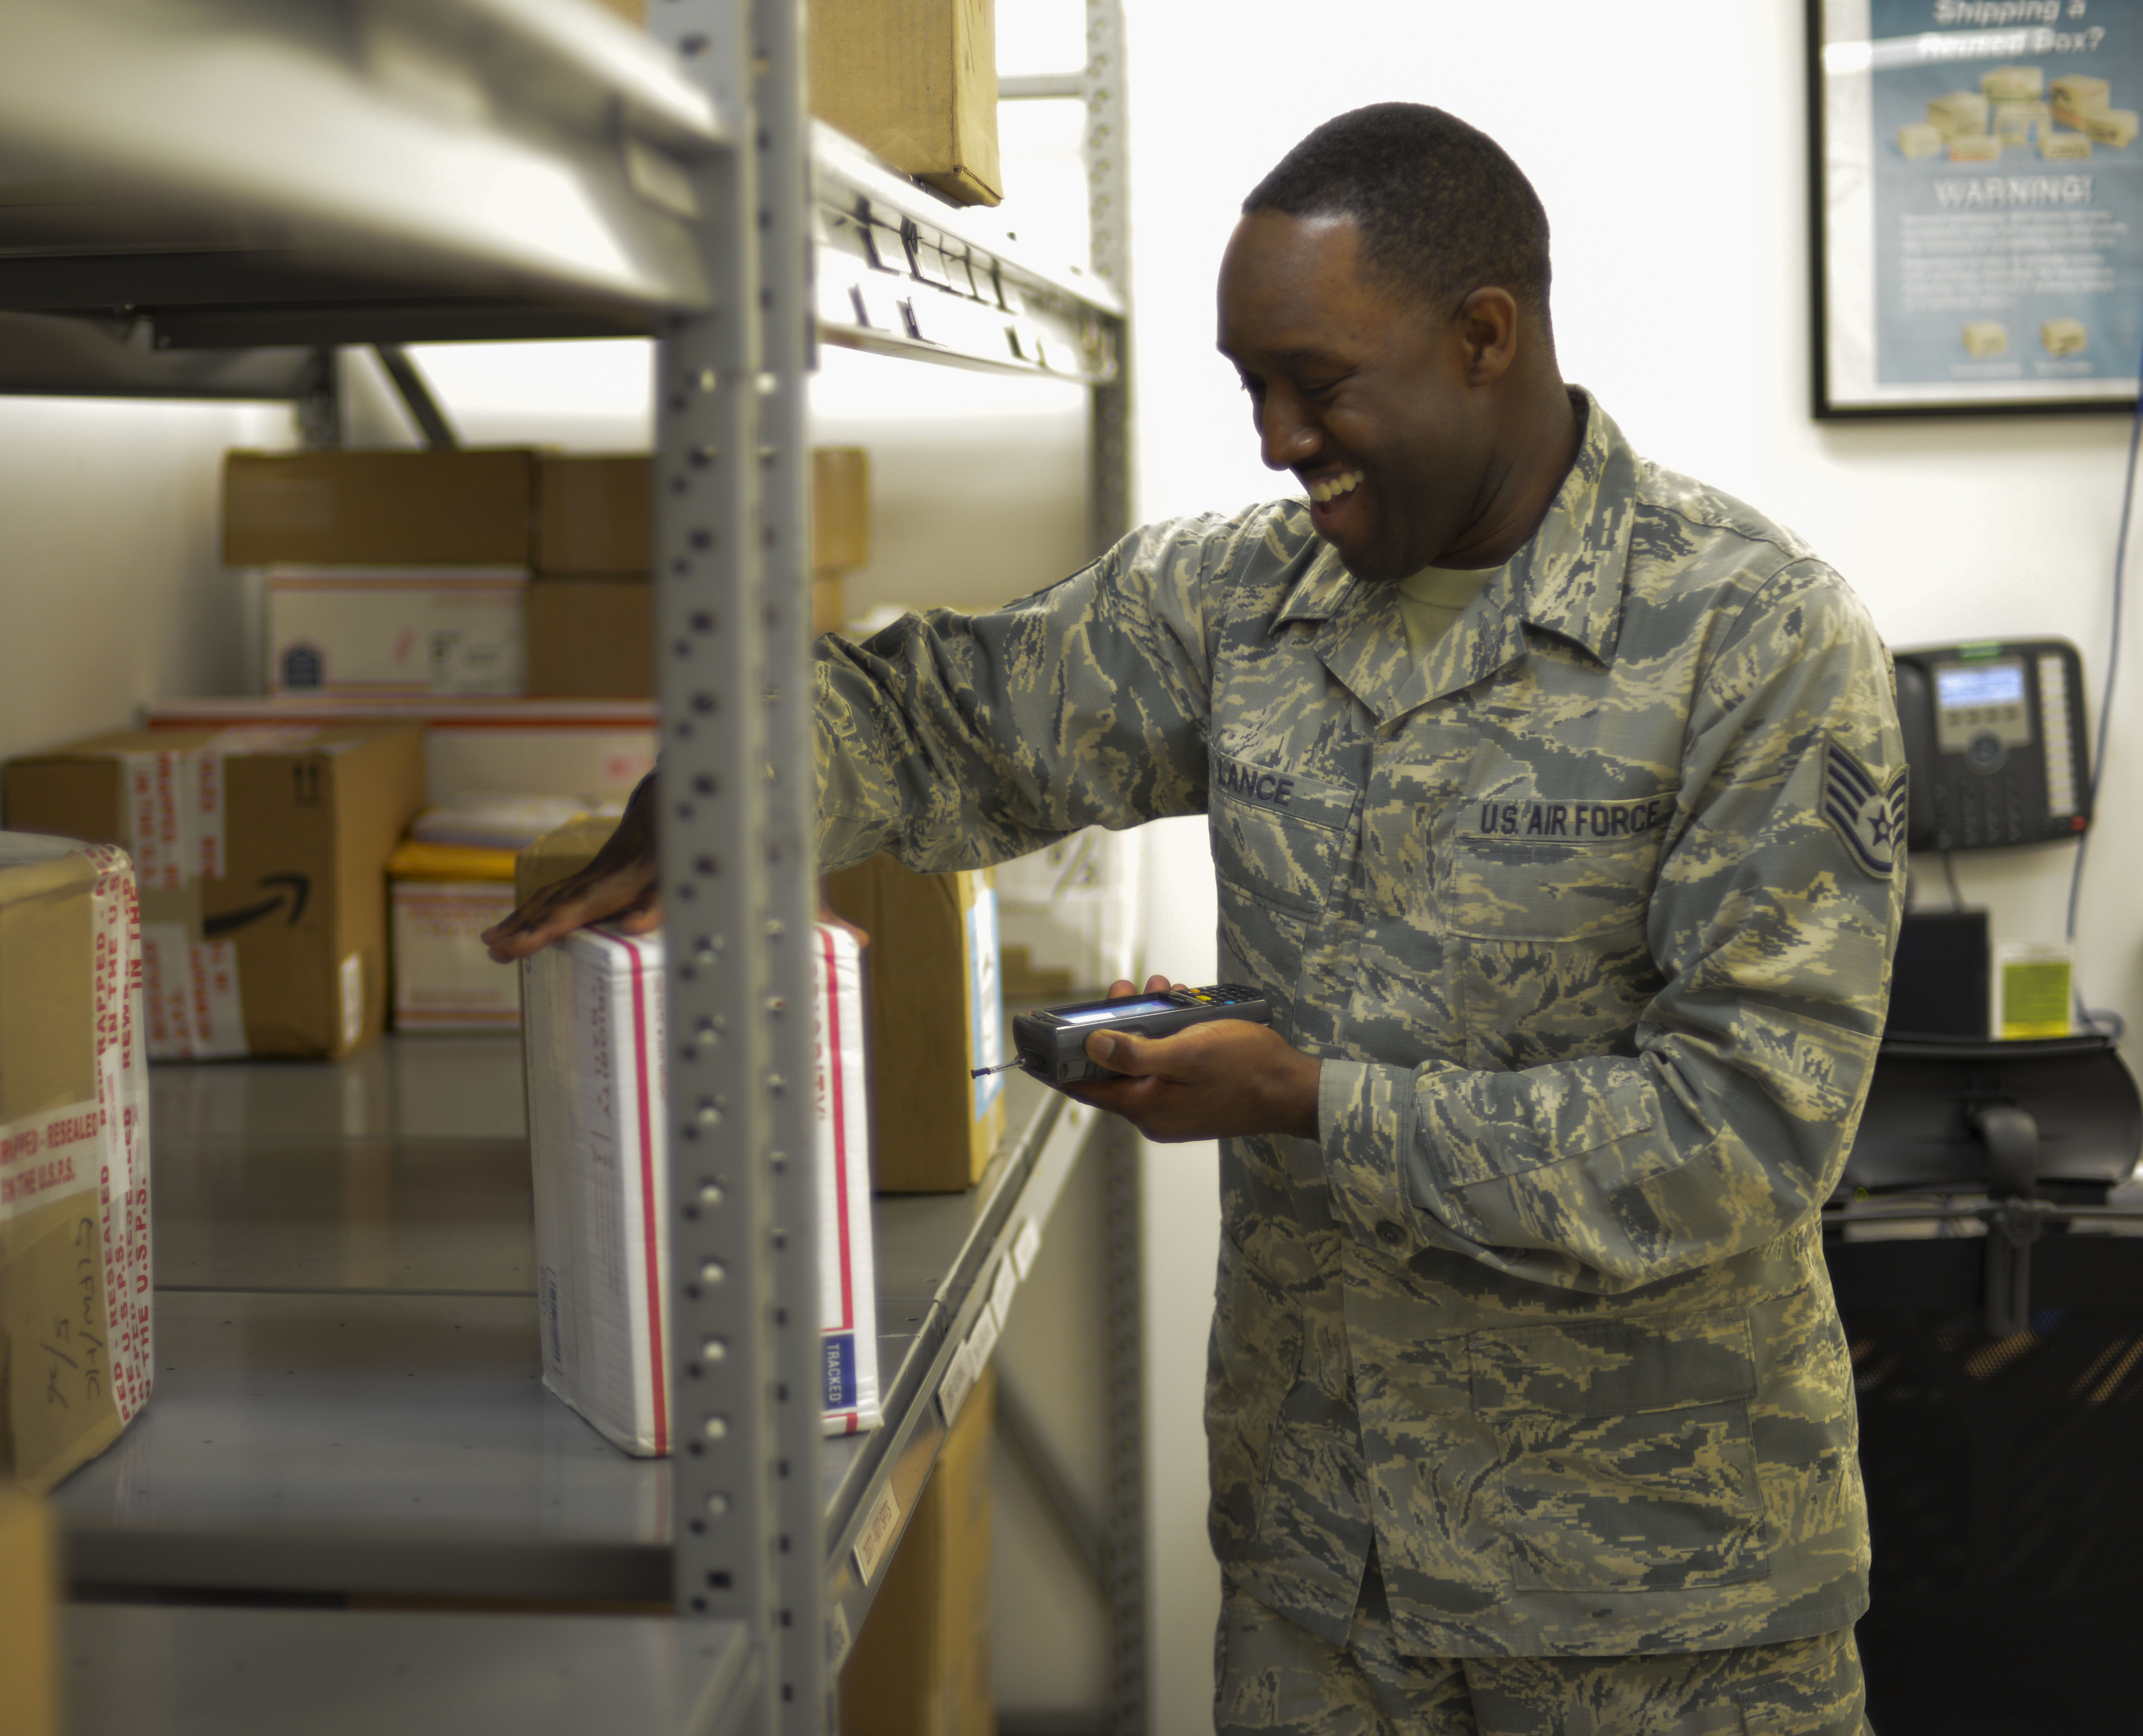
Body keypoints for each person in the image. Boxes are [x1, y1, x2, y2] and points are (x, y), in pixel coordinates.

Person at [487, 103, 1903, 1736]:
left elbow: (1744, 1131)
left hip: (1663, 1605)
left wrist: (1311, 1101)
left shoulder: (1755, 637)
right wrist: (736, 773)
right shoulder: (1239, 602)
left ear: (1483, 337)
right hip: (1321, 1584)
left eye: (1318, 382)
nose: (1278, 439)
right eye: (1250, 387)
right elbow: (937, 719)